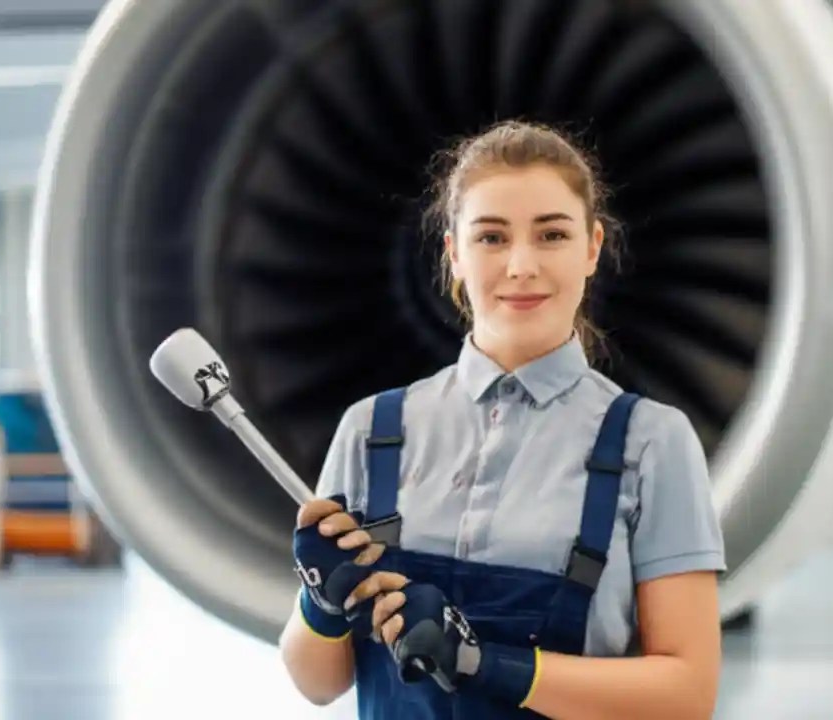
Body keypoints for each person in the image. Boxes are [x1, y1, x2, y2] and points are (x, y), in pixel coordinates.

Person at [279, 120, 726, 719]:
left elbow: (687, 697)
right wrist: (322, 605)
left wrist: (485, 664)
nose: (521, 265)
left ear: (592, 249)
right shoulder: (370, 431)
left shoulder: (650, 444)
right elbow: (317, 684)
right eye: (491, 238)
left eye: (551, 235)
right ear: (453, 254)